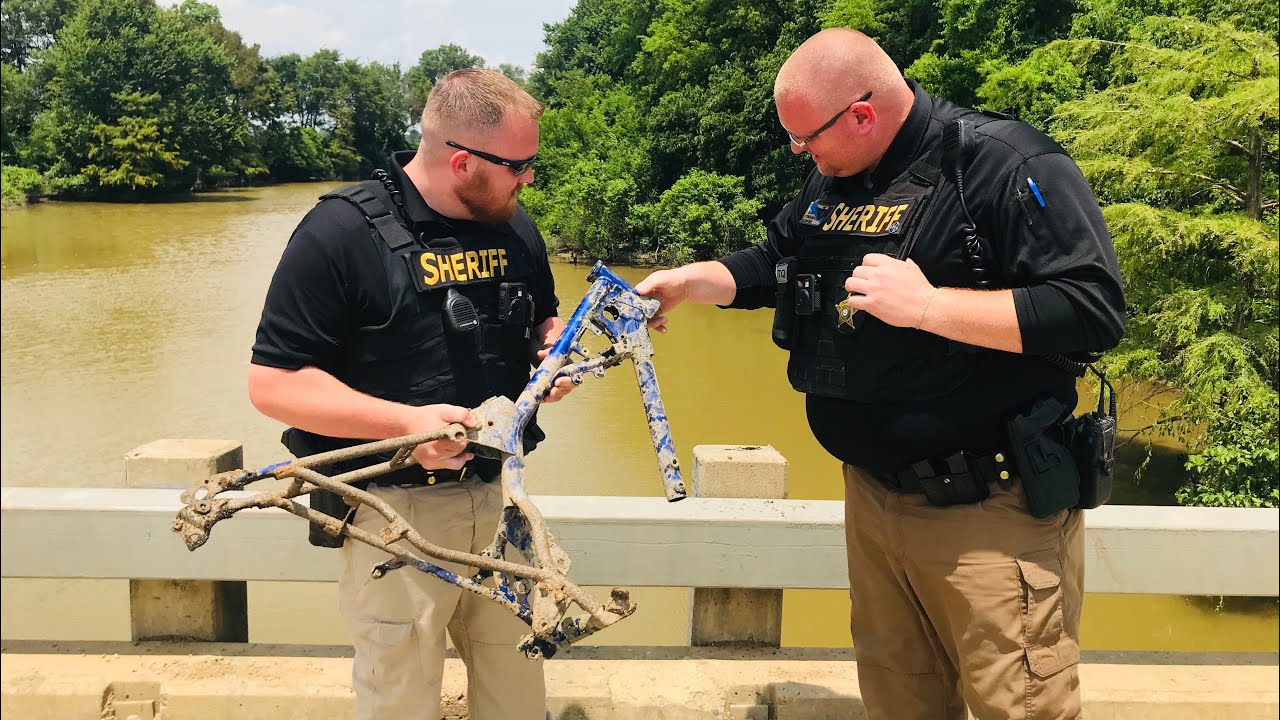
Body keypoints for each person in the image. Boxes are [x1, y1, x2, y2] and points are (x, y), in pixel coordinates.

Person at [637, 28, 1125, 720]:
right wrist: (691, 282)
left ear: (862, 114)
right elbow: (778, 258)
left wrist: (928, 306)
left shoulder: (1007, 165)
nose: (800, 154)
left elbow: (1092, 307)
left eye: (806, 138)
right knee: (897, 701)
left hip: (989, 513)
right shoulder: (838, 174)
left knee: (1017, 706)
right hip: (872, 505)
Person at [247, 67, 572, 720]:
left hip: (503, 498)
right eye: (519, 164)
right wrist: (408, 426)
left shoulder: (513, 225)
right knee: (399, 702)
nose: (530, 177)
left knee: (518, 692)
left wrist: (550, 349)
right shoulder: (339, 236)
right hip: (392, 518)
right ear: (462, 162)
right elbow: (273, 383)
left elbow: (541, 316)